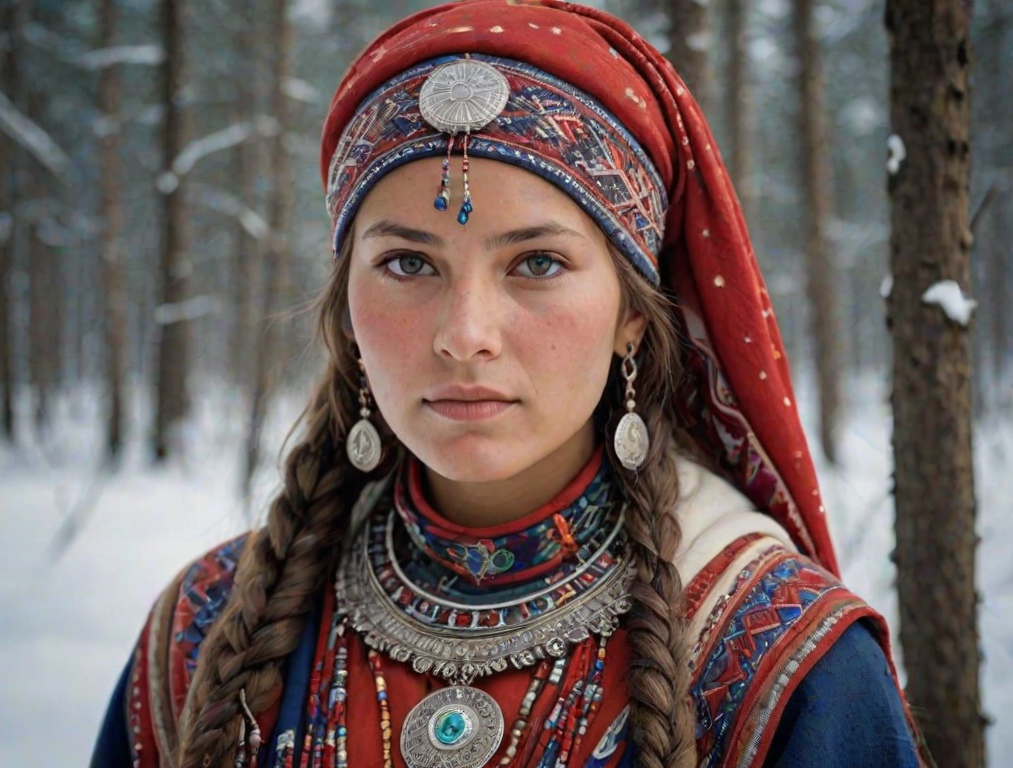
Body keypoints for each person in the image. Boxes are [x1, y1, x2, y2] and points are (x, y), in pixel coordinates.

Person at [90, 1, 928, 767]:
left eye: (537, 263)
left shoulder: (773, 656)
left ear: (633, 317)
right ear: (347, 312)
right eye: (408, 263)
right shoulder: (210, 633)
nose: (465, 336)